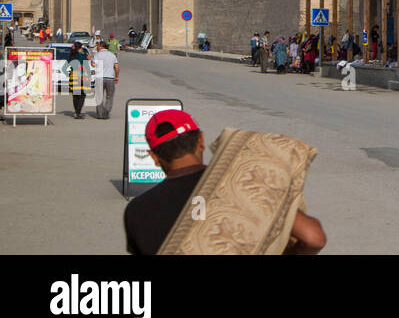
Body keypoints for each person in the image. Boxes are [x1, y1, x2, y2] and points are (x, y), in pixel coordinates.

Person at [122, 109, 327, 255]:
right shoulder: (239, 182)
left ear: (154, 157)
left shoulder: (136, 211)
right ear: (201, 141)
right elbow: (313, 238)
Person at [93, 40, 119, 119]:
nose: (97, 48)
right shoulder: (112, 55)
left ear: (101, 46)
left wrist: (90, 60)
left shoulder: (97, 55)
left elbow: (93, 64)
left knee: (99, 96)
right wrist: (116, 76)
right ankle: (106, 111)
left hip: (99, 78)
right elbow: (117, 67)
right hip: (110, 78)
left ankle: (100, 114)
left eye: (97, 46)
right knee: (109, 96)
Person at [67, 42, 91, 119]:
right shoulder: (83, 55)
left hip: (73, 75)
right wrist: (88, 58)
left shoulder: (71, 55)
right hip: (81, 75)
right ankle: (78, 112)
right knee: (82, 94)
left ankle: (76, 111)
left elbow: (68, 63)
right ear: (79, 48)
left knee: (75, 95)